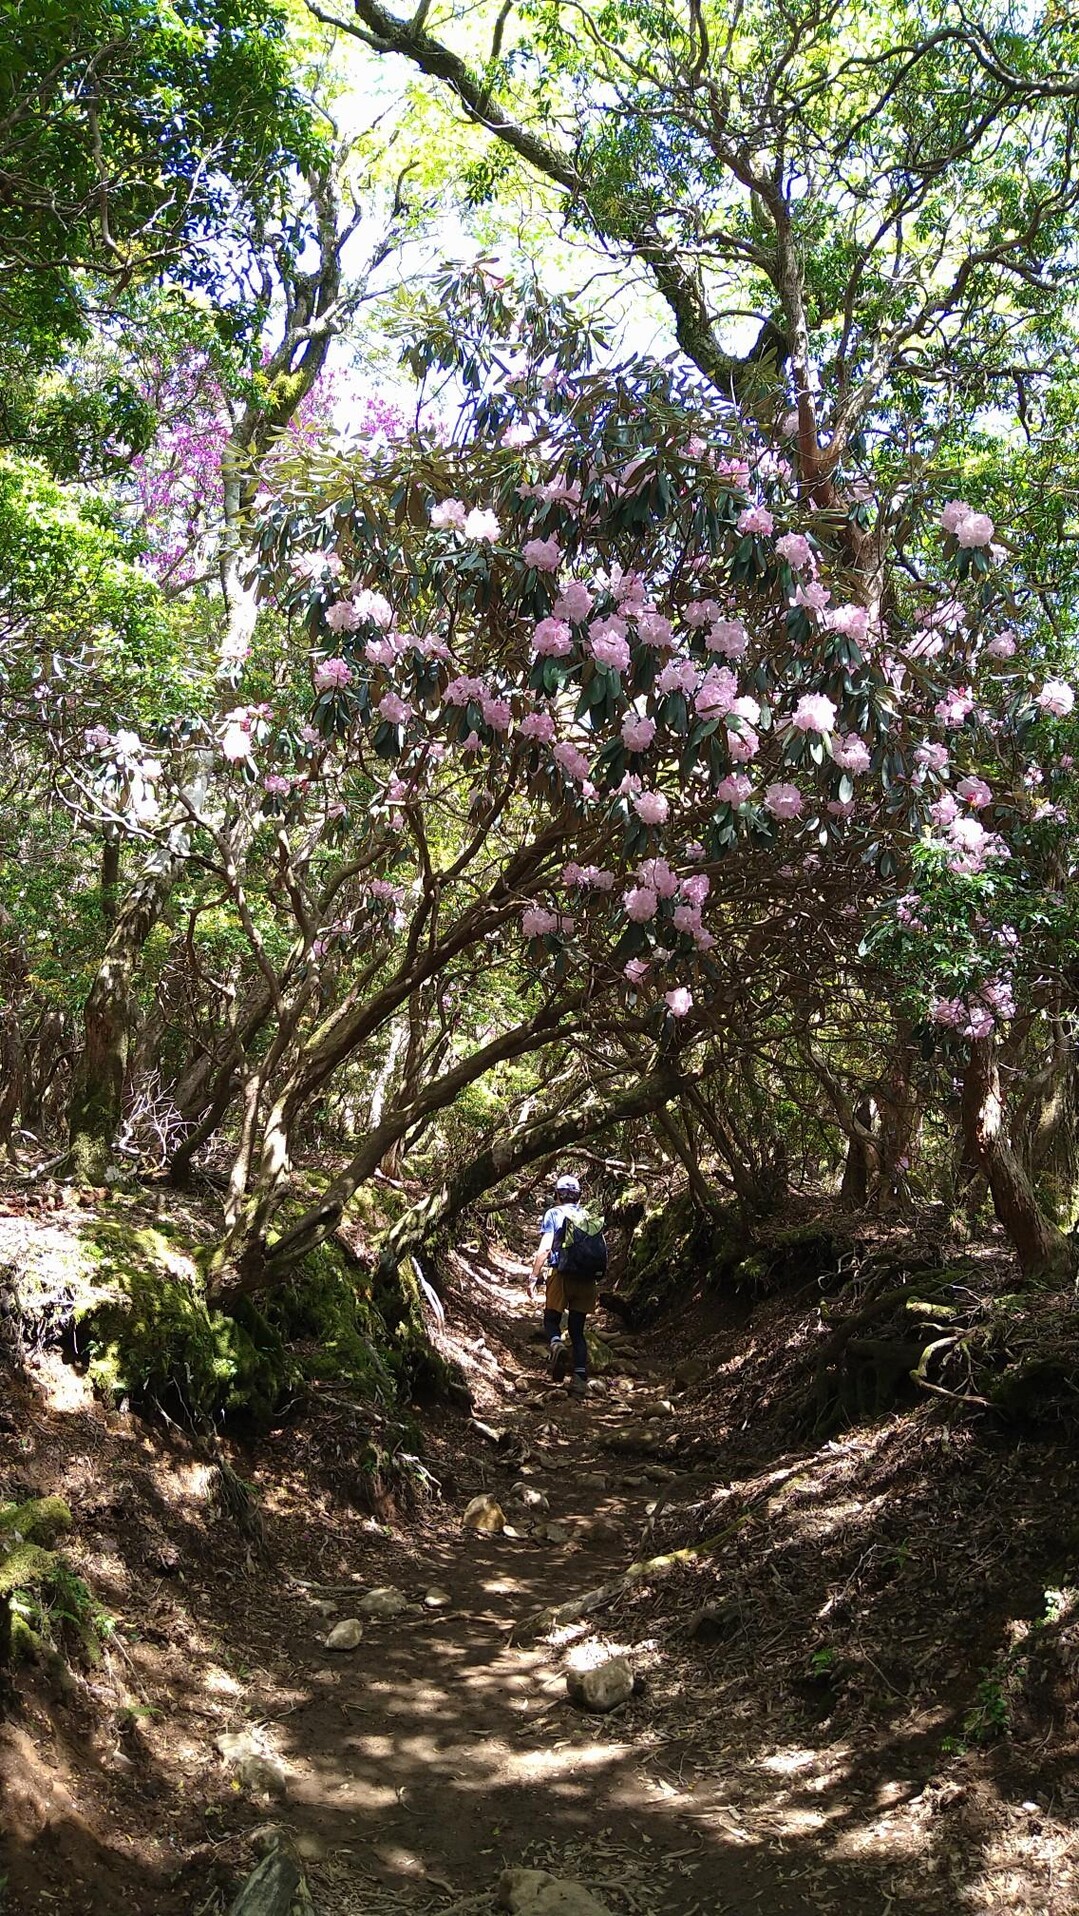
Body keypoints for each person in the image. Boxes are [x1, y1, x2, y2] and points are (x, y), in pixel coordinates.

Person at [531, 1172, 592, 1397]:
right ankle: (579, 1378)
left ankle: (556, 1345)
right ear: (578, 1196)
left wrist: (534, 1276)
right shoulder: (587, 1215)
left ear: (557, 1195)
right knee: (578, 1330)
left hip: (561, 1274)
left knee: (551, 1319)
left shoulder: (553, 1214)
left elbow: (545, 1248)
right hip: (586, 1278)